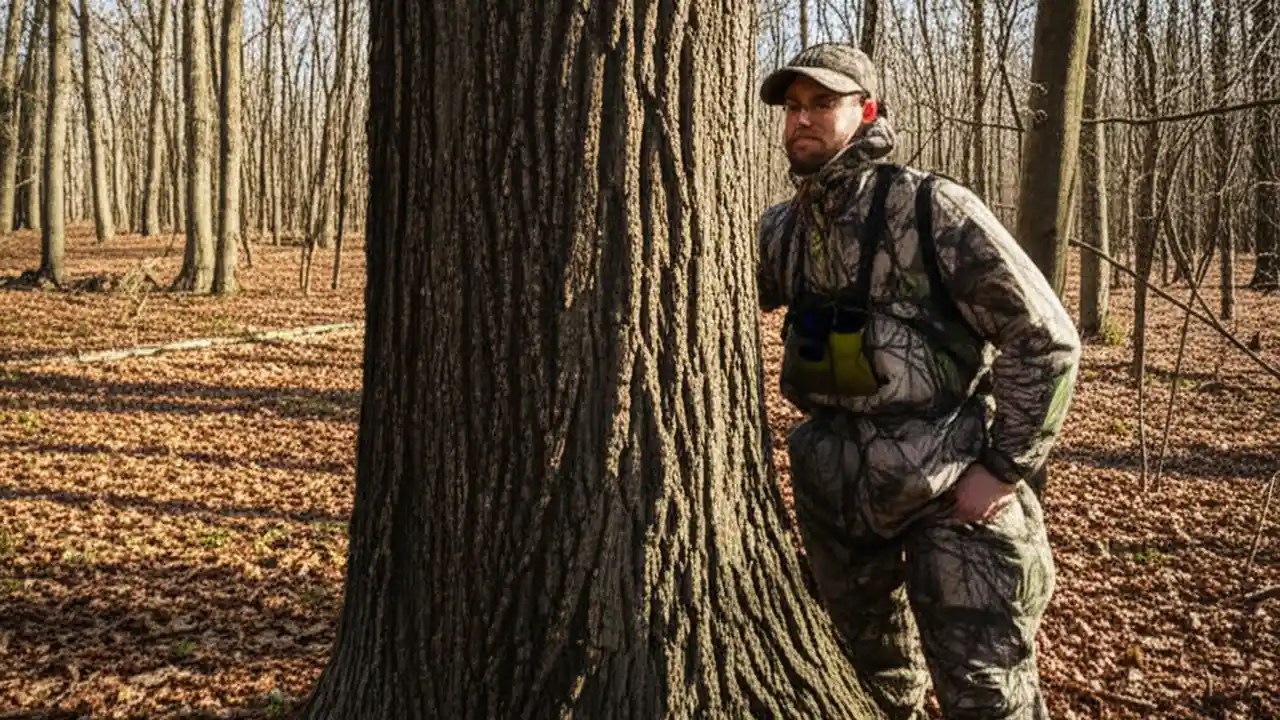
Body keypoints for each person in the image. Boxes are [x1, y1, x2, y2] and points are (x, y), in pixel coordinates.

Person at [757, 43, 1081, 719]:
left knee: (988, 696)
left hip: (950, 497)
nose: (802, 121)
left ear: (866, 111)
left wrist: (1002, 467)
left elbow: (1045, 338)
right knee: (864, 689)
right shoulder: (784, 229)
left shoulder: (929, 208)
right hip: (836, 504)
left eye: (822, 103)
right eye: (792, 108)